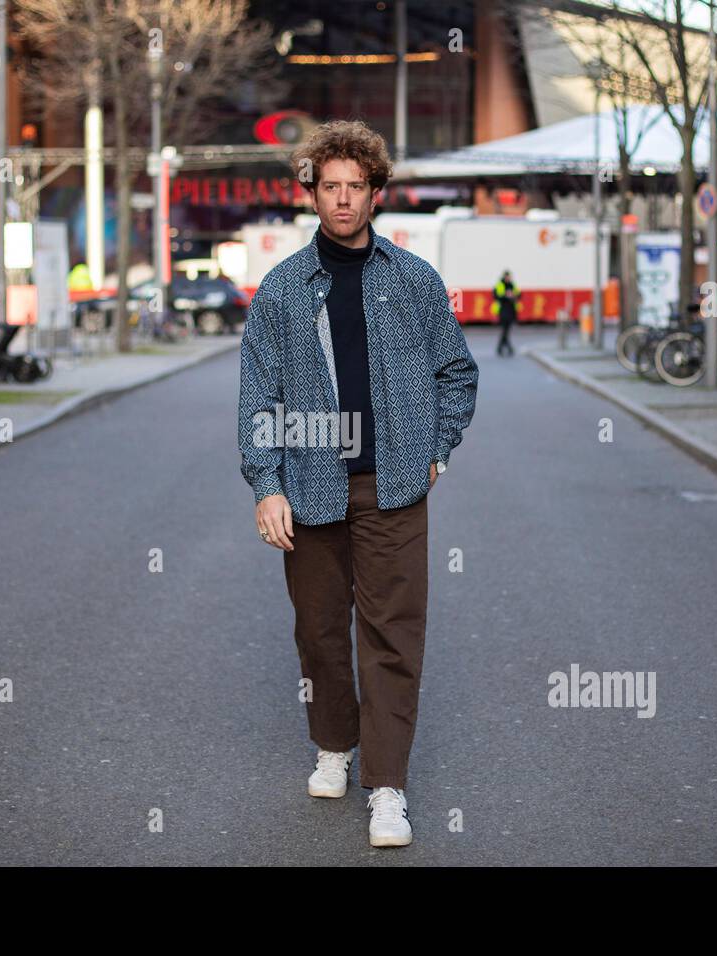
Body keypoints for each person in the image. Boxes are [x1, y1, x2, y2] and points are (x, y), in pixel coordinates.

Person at [237, 119, 479, 848]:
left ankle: (388, 788)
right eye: (329, 187)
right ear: (312, 194)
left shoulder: (413, 281)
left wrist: (436, 450)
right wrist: (266, 484)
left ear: (377, 194)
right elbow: (259, 399)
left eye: (356, 188)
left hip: (395, 488)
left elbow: (457, 372)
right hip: (310, 491)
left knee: (392, 637)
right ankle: (334, 745)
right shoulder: (281, 292)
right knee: (318, 633)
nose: (342, 200)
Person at [492, 269, 517, 357]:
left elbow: (519, 294)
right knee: (505, 330)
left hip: (511, 310)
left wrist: (513, 296)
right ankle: (508, 348)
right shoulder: (500, 285)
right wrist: (505, 296)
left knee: (506, 330)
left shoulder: (512, 285)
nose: (508, 278)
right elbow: (495, 296)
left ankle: (501, 347)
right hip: (502, 310)